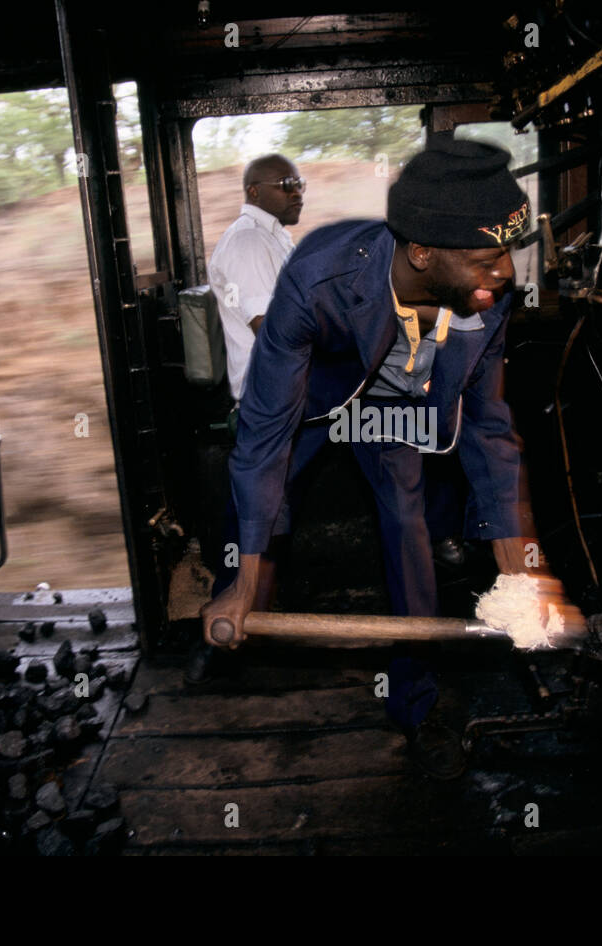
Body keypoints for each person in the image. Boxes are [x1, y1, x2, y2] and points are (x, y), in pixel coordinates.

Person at [200, 138, 576, 778]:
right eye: (489, 258)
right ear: (423, 254)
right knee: (260, 500)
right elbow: (263, 436)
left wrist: (522, 574)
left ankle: (415, 700)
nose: (507, 272)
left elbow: (490, 433)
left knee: (408, 527)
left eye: (507, 255)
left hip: (392, 397)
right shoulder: (316, 280)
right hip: (317, 392)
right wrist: (246, 578)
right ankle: (231, 603)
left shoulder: (485, 294)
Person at [207, 154, 305, 402]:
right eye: (286, 185)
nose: (297, 193)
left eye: (299, 184)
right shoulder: (248, 241)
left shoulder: (273, 237)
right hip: (274, 397)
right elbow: (270, 330)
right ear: (254, 192)